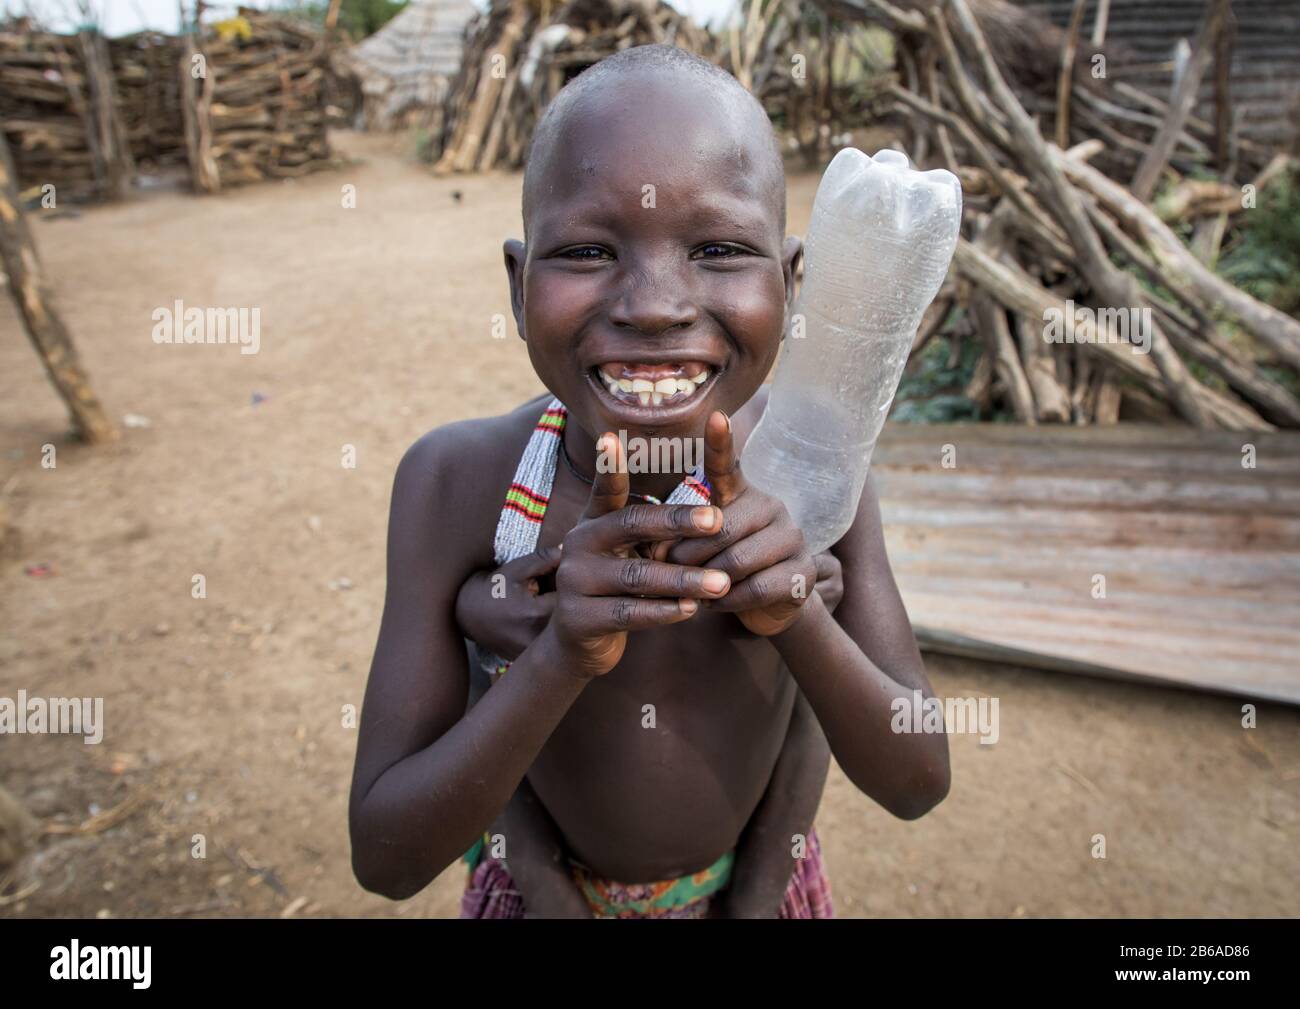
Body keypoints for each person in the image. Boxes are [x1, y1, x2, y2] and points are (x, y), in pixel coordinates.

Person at [348, 44, 949, 918]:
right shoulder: (455, 485)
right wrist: (557, 657)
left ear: (788, 284)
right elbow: (386, 854)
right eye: (589, 251)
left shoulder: (821, 470)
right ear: (519, 287)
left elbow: (918, 776)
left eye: (717, 248)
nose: (654, 305)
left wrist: (797, 620)